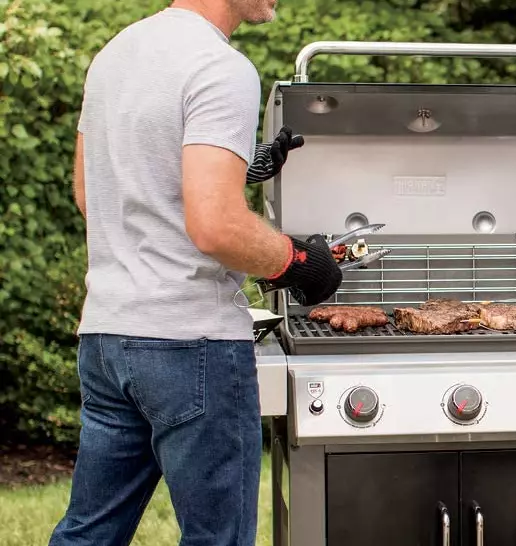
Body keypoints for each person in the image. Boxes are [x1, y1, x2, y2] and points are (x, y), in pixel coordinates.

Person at [49, 0, 342, 544]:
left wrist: (234, 168)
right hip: (191, 346)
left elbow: (94, 195)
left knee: (89, 533)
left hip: (109, 337)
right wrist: (298, 262)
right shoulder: (219, 66)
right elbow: (216, 227)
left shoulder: (115, 54)